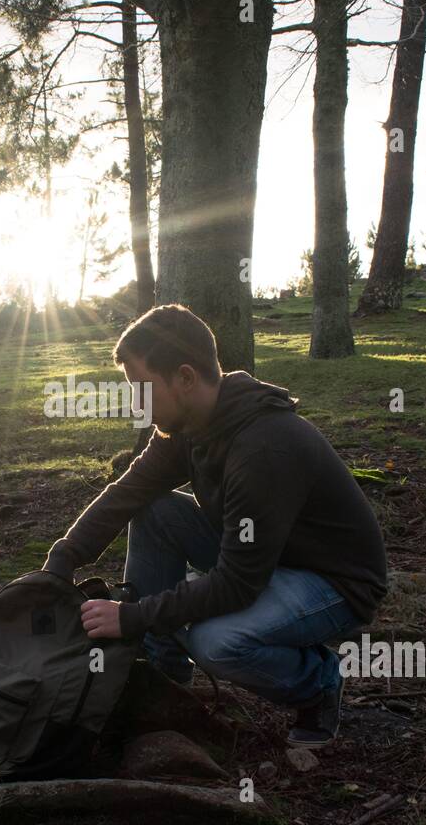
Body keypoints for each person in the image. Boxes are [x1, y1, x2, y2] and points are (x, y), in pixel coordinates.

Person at [43, 304, 388, 747]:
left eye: (142, 389)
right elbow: (126, 493)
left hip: (332, 581)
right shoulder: (185, 427)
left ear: (185, 378)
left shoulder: (264, 447)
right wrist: (60, 561)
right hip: (262, 555)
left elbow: (237, 586)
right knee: (155, 510)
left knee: (217, 642)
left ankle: (320, 685)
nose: (135, 405)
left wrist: (132, 617)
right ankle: (163, 672)